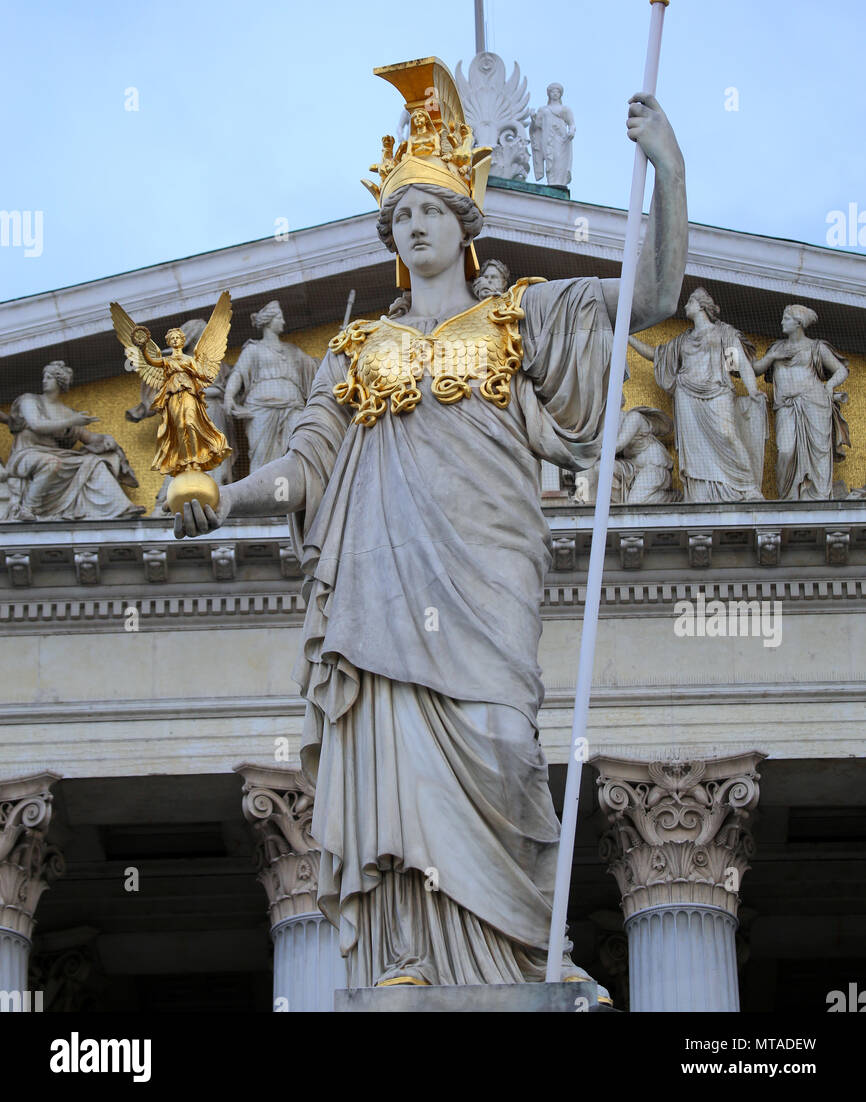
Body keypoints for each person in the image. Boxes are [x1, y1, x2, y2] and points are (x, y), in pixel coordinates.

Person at [175, 78, 687, 989]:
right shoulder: (358, 346)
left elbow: (649, 297)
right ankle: (406, 955)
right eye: (398, 215)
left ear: (465, 222)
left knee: (501, 749)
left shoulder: (522, 315)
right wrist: (224, 495)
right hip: (381, 594)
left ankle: (524, 959)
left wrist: (669, 169)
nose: (411, 226)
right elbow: (308, 462)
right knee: (396, 763)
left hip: (486, 576)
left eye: (427, 211)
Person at [629, 288, 767, 502]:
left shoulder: (724, 333)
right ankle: (700, 493)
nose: (685, 306)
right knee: (694, 447)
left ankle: (747, 487)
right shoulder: (683, 340)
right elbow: (655, 355)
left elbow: (737, 364)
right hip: (686, 395)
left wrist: (753, 391)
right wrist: (627, 337)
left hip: (718, 390)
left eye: (689, 302)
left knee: (727, 434)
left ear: (701, 306)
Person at [6, 361, 143, 521]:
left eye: (49, 377)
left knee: (94, 462)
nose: (44, 380)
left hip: (57, 455)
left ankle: (121, 507)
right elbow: (37, 425)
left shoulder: (67, 413)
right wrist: (72, 421)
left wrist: (105, 439)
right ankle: (28, 508)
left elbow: (87, 437)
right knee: (51, 463)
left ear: (60, 382)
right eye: (44, 376)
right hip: (27, 454)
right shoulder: (29, 400)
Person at [752, 305, 849, 500]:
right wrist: (771, 357)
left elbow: (841, 370)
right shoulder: (777, 348)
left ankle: (818, 496)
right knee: (786, 451)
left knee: (818, 453)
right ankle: (789, 497)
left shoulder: (816, 347)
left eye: (786, 318)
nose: (781, 322)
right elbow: (755, 369)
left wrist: (829, 386)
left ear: (799, 323)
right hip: (787, 407)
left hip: (814, 403)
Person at [223, 302, 317, 473]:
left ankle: (302, 495)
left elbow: (316, 369)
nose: (283, 322)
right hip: (261, 408)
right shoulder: (253, 349)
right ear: (268, 321)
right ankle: (263, 497)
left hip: (293, 406)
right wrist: (229, 396)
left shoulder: (293, 351)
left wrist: (336, 348)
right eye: (279, 318)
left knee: (302, 448)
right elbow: (238, 373)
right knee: (262, 456)